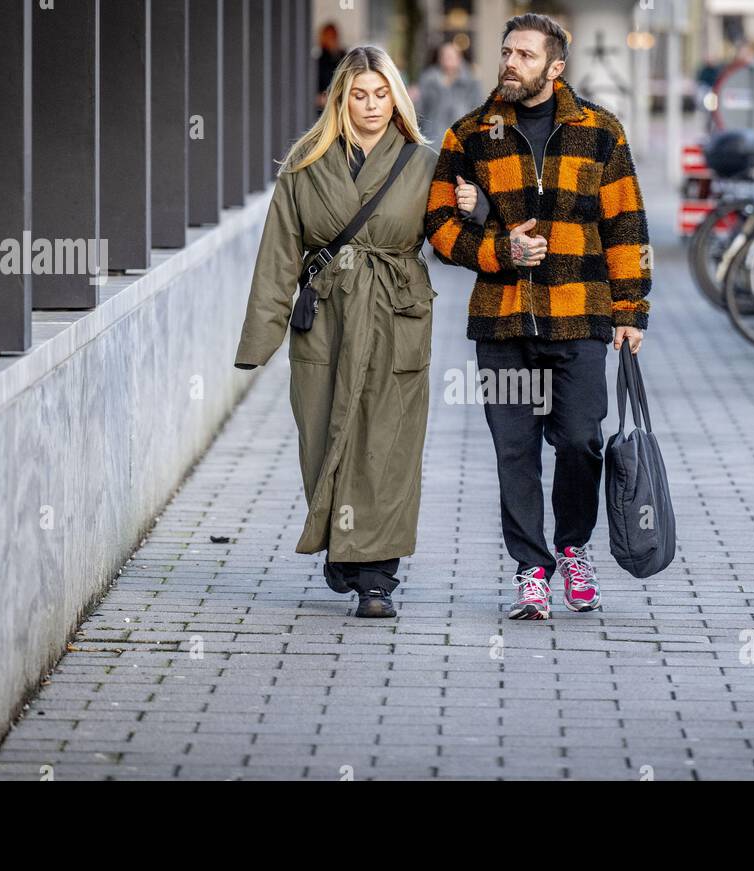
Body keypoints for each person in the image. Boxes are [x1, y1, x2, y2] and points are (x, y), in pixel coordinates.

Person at [425, 13, 652, 620]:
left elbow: (626, 223)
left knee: (581, 441)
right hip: (502, 324)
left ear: (555, 67)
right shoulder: (470, 134)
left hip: (580, 319)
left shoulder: (601, 132)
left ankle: (573, 547)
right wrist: (500, 251)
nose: (510, 63)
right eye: (506, 52)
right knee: (514, 451)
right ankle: (532, 568)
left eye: (524, 55)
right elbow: (439, 227)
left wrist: (631, 309)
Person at [234, 46, 439, 618]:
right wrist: (260, 338)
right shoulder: (305, 163)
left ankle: (376, 575)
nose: (371, 106)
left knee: (387, 444)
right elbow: (279, 254)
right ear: (339, 99)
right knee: (323, 434)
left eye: (381, 94)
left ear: (395, 97)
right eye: (359, 94)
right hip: (325, 318)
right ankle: (343, 548)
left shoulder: (424, 162)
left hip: (396, 317)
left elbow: (450, 238)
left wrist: (474, 210)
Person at [414, 42, 486, 143]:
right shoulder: (428, 79)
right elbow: (420, 109)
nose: (448, 58)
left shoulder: (471, 80)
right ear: (439, 58)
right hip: (433, 138)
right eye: (444, 55)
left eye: (451, 55)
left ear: (459, 58)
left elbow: (479, 108)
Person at [315, 22, 346, 115]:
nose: (332, 40)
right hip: (325, 109)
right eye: (329, 37)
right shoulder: (319, 62)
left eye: (334, 36)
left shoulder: (343, 57)